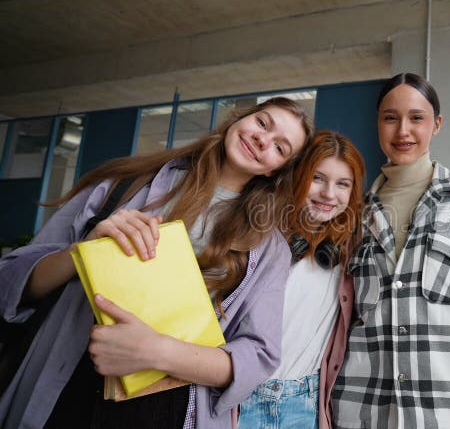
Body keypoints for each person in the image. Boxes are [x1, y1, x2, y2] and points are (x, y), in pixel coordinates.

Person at [0, 97, 313, 429]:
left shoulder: (268, 248)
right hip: (65, 376)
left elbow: (257, 357)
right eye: (263, 123)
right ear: (240, 118)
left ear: (276, 171)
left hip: (168, 404)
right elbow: (11, 280)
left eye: (280, 148)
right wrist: (84, 251)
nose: (263, 140)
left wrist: (158, 352)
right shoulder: (126, 182)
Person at [331, 73, 450, 428]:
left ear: (436, 125)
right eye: (390, 118)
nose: (403, 130)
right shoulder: (352, 214)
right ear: (378, 124)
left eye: (416, 118)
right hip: (362, 413)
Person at [237, 130, 365, 429]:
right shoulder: (261, 238)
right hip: (243, 398)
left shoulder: (345, 251)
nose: (328, 194)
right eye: (318, 178)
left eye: (342, 184)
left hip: (303, 402)